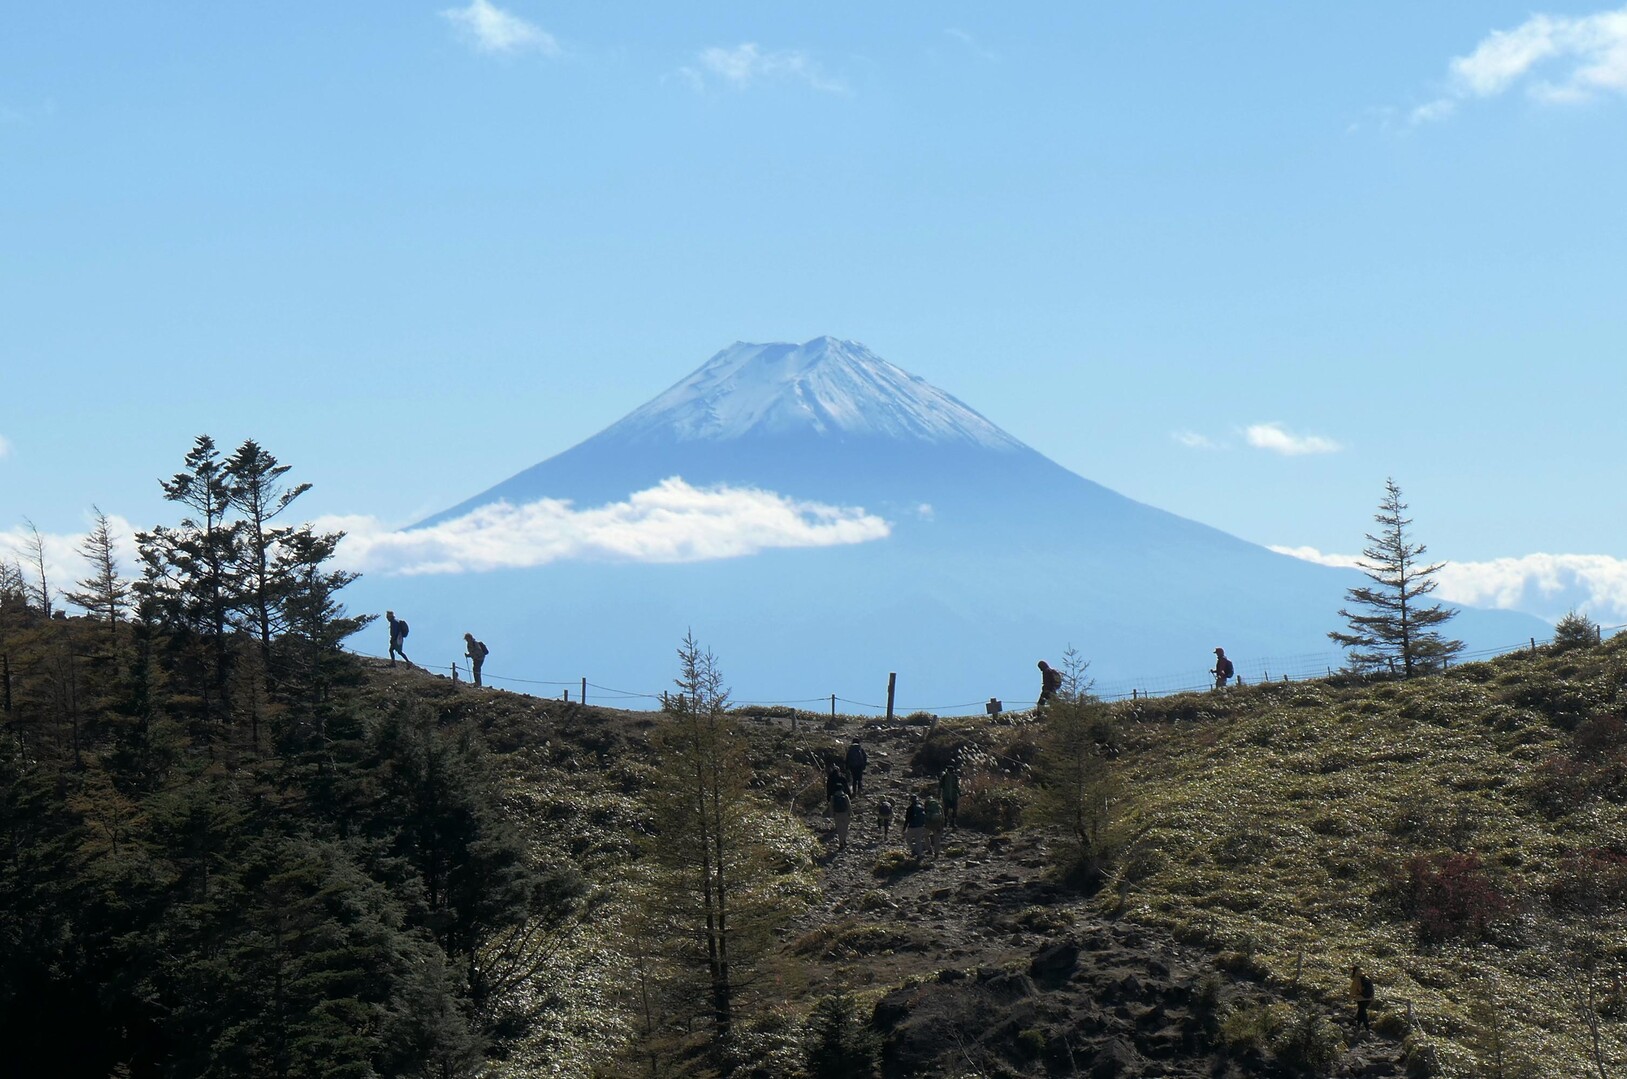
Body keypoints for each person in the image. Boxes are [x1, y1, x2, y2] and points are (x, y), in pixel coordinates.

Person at [1350, 963, 1374, 1031]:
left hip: (1360, 998)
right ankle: (1359, 1025)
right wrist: (1372, 998)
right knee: (1361, 1011)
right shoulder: (1367, 978)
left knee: (1362, 1012)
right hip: (1368, 997)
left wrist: (1350, 999)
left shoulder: (1356, 979)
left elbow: (1353, 990)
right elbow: (1372, 989)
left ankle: (1367, 1027)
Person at [830, 785, 852, 849]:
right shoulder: (845, 796)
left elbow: (831, 807)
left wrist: (832, 814)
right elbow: (849, 805)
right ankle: (844, 840)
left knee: (839, 829)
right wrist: (850, 813)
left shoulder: (833, 797)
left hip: (837, 814)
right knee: (845, 827)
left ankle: (841, 843)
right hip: (845, 813)